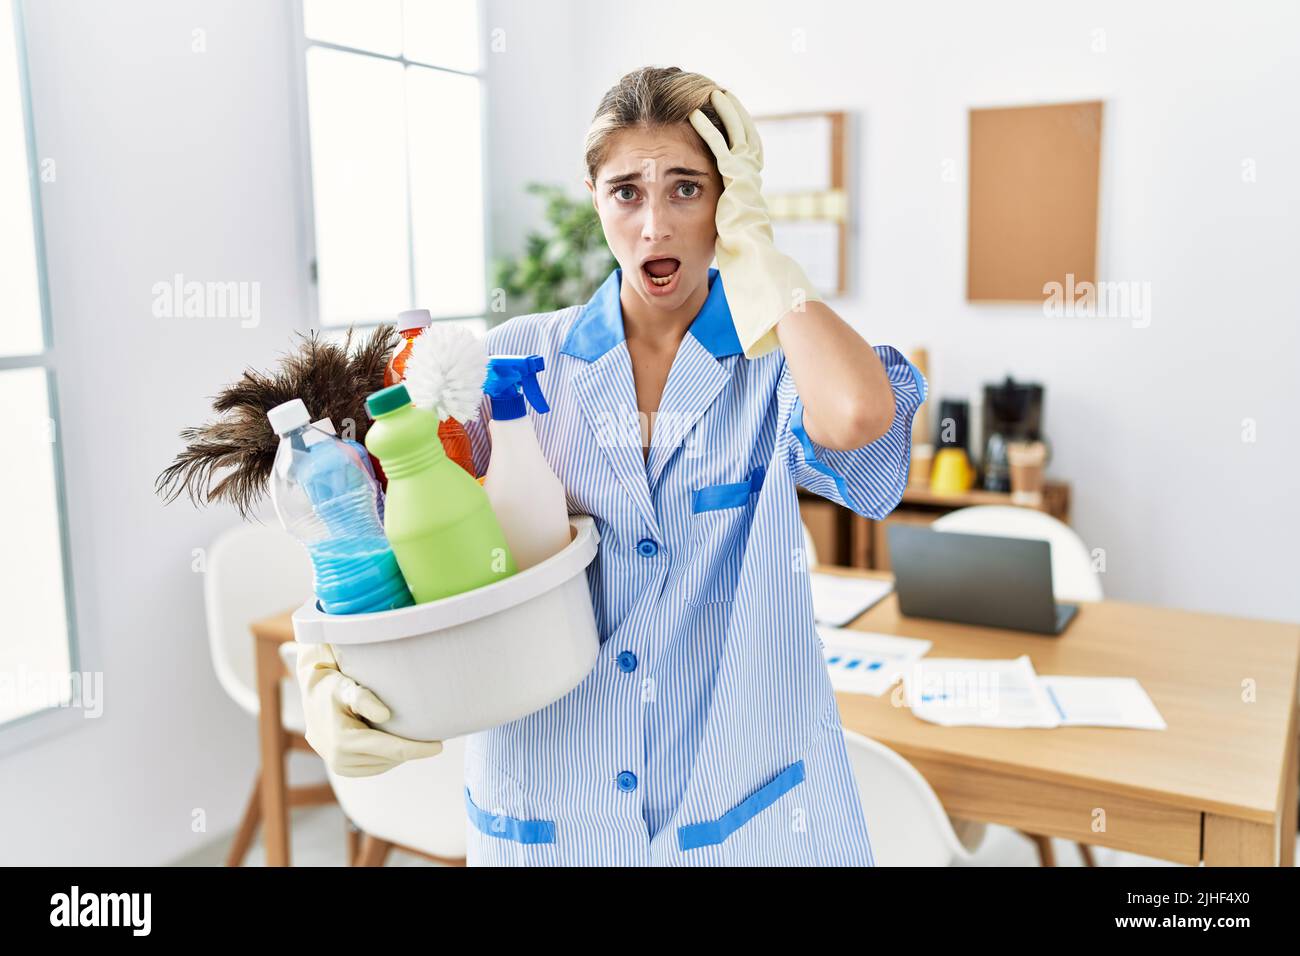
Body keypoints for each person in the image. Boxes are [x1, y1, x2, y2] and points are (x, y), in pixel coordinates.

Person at [297, 66, 928, 866]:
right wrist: (321, 669)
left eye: (689, 189)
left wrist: (763, 256)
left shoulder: (778, 363)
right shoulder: (513, 360)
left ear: (729, 201)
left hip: (745, 816)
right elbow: (384, 534)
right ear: (592, 197)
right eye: (627, 191)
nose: (655, 225)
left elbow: (855, 417)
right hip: (555, 814)